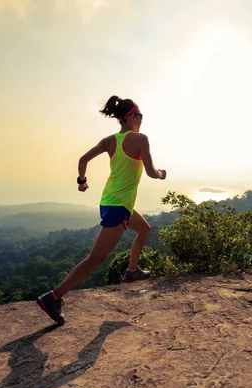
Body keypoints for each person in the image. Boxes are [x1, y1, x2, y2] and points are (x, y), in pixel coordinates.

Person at [36, 95, 166, 325]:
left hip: (113, 201)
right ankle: (53, 297)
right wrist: (162, 173)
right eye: (141, 115)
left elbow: (83, 159)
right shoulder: (140, 139)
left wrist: (81, 181)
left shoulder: (109, 141)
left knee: (144, 229)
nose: (142, 120)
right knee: (95, 258)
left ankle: (131, 271)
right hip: (118, 206)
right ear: (132, 116)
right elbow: (150, 172)